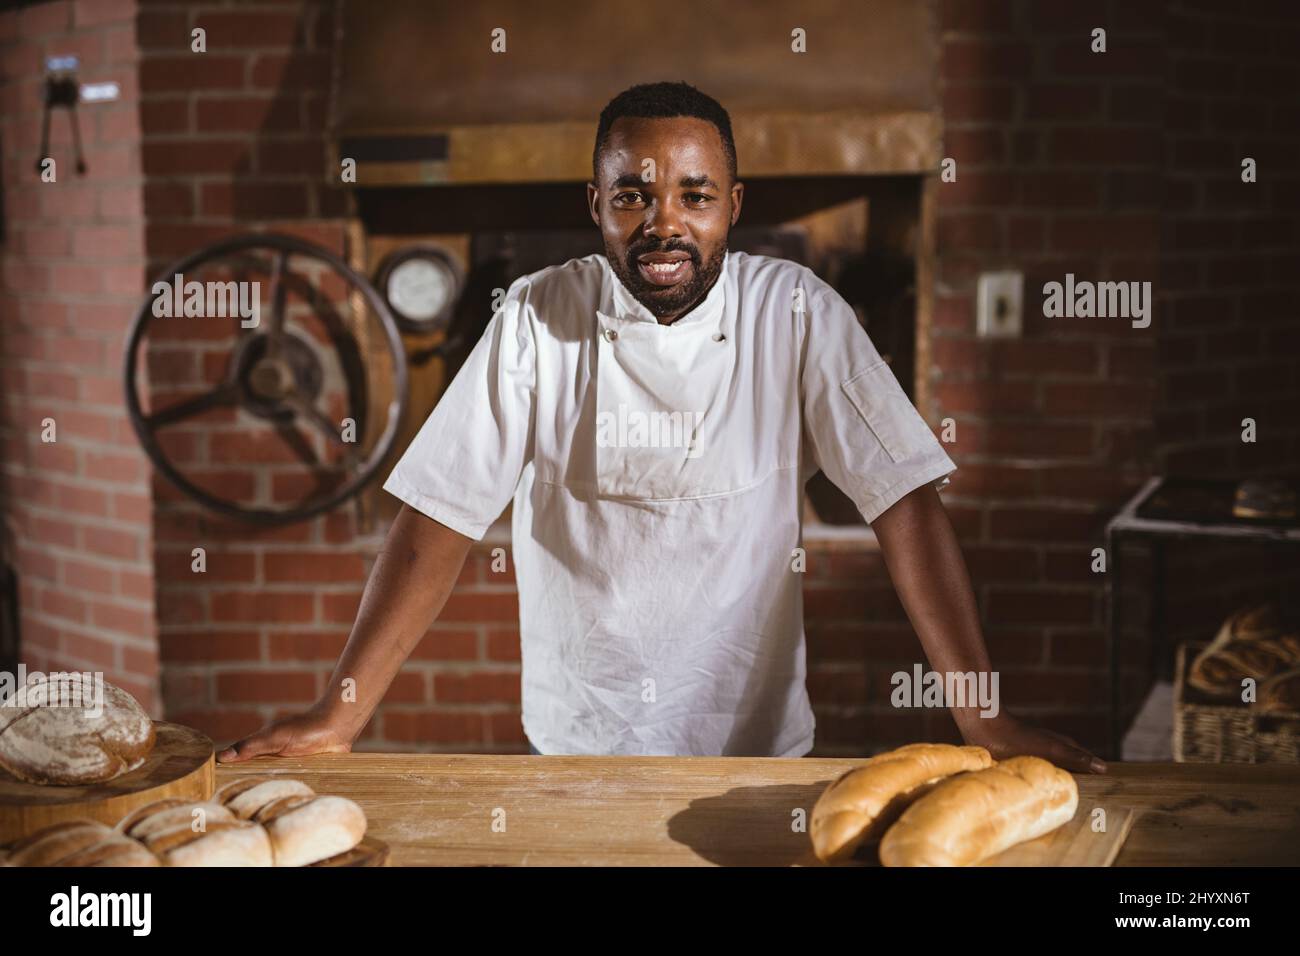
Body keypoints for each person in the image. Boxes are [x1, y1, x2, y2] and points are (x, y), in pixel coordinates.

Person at [219, 82, 1105, 772]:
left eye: (695, 194)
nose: (665, 223)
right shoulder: (536, 316)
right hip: (580, 738)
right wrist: (341, 713)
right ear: (595, 203)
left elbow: (903, 504)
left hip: (754, 741)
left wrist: (983, 715)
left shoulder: (794, 312)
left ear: (734, 204)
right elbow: (439, 515)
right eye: (634, 195)